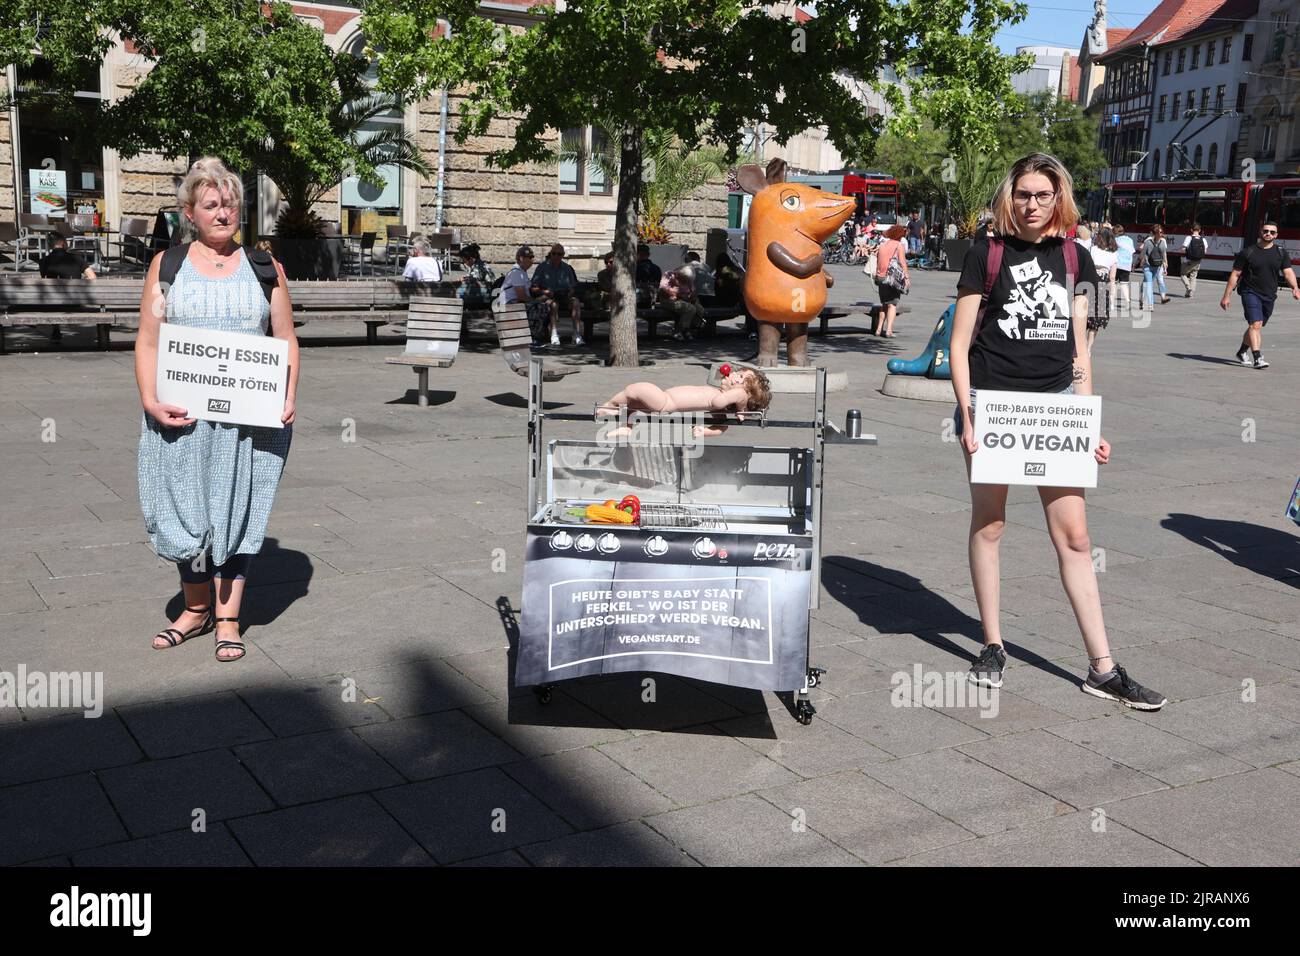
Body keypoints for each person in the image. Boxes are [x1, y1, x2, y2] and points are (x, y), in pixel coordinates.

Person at [949, 151, 1165, 710]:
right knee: (990, 525)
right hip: (993, 406)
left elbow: (1081, 350)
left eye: (1043, 195)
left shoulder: (1077, 258)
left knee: (1075, 537)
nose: (1032, 205)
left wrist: (1089, 421)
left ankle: (1102, 667)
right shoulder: (986, 252)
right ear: (1010, 196)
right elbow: (959, 342)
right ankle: (993, 644)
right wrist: (967, 418)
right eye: (1023, 194)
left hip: (1056, 408)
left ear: (1058, 198)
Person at [136, 157, 298, 663]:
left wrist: (286, 393)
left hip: (248, 419)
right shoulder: (168, 266)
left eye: (229, 204)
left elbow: (286, 338)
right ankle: (194, 607)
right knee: (182, 510)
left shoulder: (265, 268)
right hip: (181, 415)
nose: (223, 213)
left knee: (239, 511)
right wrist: (150, 399)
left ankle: (228, 617)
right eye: (211, 205)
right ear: (191, 212)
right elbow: (147, 342)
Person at [597, 367, 772, 438]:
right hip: (663, 399)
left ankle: (610, 405)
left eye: (740, 378)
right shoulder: (719, 395)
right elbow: (721, 426)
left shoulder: (726, 398)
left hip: (664, 402)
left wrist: (741, 408)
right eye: (738, 372)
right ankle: (628, 427)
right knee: (634, 403)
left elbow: (727, 403)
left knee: (636, 389)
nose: (734, 375)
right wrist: (706, 431)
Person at [1221, 221, 1300, 369]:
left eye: (1272, 232)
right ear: (1260, 232)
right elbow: (1235, 274)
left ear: (1276, 235)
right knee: (1255, 324)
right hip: (1249, 291)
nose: (1268, 234)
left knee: (1257, 325)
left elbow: (1288, 272)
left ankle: (1242, 351)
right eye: (1265, 231)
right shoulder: (1248, 252)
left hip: (1269, 294)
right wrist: (1227, 295)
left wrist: (1295, 287)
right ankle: (1258, 357)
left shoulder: (1281, 253)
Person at [532, 243, 584, 347]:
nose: (556, 256)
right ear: (550, 254)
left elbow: (573, 286)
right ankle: (554, 334)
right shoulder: (542, 267)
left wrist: (569, 292)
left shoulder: (567, 268)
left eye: (559, 254)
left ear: (563, 255)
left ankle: (576, 334)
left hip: (564, 297)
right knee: (554, 305)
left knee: (576, 303)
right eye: (554, 254)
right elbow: (534, 287)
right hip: (548, 297)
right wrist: (544, 292)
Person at [498, 245, 550, 343]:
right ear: (521, 258)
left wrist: (542, 293)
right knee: (537, 307)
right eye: (530, 257)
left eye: (532, 257)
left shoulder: (522, 272)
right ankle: (533, 339)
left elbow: (528, 290)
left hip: (516, 302)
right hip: (509, 304)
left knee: (544, 306)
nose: (532, 260)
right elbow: (521, 296)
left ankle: (538, 336)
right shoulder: (517, 273)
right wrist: (537, 300)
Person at [872, 224, 910, 337]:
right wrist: (907, 277)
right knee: (892, 305)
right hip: (891, 279)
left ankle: (878, 330)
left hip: (880, 277)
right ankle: (889, 330)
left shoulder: (882, 245)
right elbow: (902, 262)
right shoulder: (899, 245)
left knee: (884, 304)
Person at [1087, 227, 1118, 355]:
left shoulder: (1093, 249)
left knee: (1083, 316)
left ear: (1099, 237)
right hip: (1102, 286)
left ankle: (1080, 345)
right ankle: (1088, 348)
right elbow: (1112, 278)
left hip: (1089, 282)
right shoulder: (1114, 254)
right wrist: (1112, 298)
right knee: (1096, 321)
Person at [659, 266, 703, 341]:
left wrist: (692, 296)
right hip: (668, 300)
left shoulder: (689, 279)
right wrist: (676, 294)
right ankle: (681, 330)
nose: (686, 281)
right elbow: (662, 289)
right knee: (690, 309)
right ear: (680, 274)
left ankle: (692, 329)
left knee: (700, 309)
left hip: (684, 300)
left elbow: (692, 291)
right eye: (684, 279)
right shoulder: (669, 275)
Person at [456, 243, 496, 310]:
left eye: (464, 261)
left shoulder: (478, 267)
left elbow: (473, 280)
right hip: (487, 290)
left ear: (471, 259)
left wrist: (463, 280)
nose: (464, 263)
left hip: (487, 293)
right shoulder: (480, 264)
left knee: (460, 292)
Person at [1141, 224, 1170, 307]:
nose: (1162, 234)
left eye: (1162, 232)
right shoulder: (1148, 241)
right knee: (1149, 283)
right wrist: (1138, 262)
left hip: (1157, 266)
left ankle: (1144, 299)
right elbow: (1143, 252)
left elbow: (1164, 253)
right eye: (1160, 232)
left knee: (1148, 283)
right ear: (1155, 233)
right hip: (1148, 266)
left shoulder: (1162, 241)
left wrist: (1165, 262)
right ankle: (1150, 304)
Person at [1113, 224, 1135, 318]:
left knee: (1112, 283)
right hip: (1127, 265)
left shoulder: (1116, 240)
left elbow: (1112, 251)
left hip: (1117, 264)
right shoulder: (1130, 240)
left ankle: (1111, 302)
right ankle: (1127, 301)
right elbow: (1132, 251)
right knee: (1124, 284)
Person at [1180, 223, 1205, 298]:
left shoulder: (1189, 238)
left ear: (1191, 230)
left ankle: (1188, 288)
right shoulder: (1203, 239)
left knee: (1183, 274)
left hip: (1188, 260)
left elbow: (1183, 249)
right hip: (1198, 261)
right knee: (1193, 277)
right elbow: (1205, 251)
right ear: (1200, 230)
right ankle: (1190, 294)